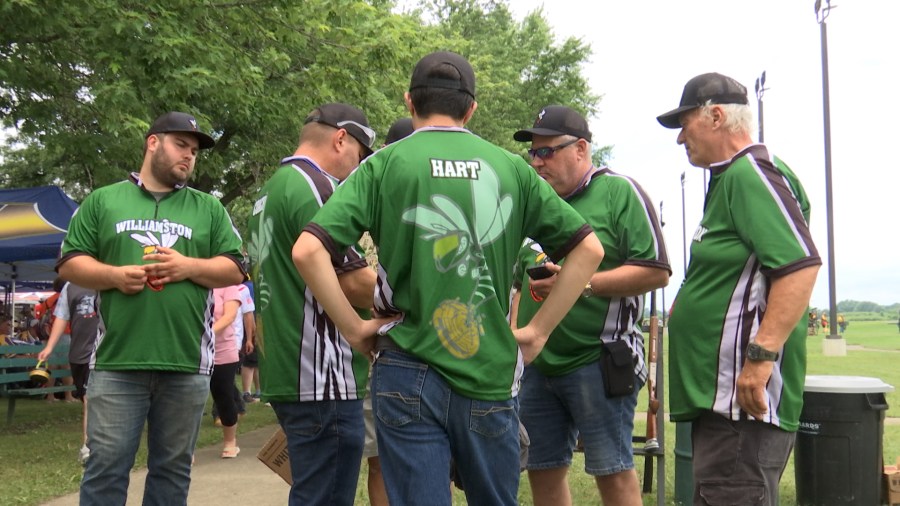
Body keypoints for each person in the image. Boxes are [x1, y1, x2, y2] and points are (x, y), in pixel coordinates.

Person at [291, 51, 604, 506]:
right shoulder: (512, 167)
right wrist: (537, 332)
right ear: (471, 109)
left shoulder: (382, 165)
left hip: (405, 364)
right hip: (489, 364)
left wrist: (354, 328)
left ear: (409, 102)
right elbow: (588, 249)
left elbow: (307, 249)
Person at [56, 111, 246, 505]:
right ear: (152, 142)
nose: (189, 156)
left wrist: (188, 266)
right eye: (181, 145)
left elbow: (236, 267)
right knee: (105, 467)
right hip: (116, 363)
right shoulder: (103, 200)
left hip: (186, 364)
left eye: (194, 151)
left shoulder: (208, 208)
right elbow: (70, 262)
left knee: (173, 471)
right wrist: (113, 276)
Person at [657, 73, 821, 506]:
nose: (679, 139)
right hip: (724, 407)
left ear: (715, 116)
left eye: (684, 124)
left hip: (741, 407)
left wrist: (761, 356)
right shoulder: (729, 178)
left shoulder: (751, 172)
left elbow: (800, 266)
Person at [511, 105, 671, 506]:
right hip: (536, 364)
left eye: (547, 151)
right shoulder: (535, 202)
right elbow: (516, 286)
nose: (536, 161)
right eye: (533, 153)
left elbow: (656, 271)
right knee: (542, 470)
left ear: (581, 148)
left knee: (612, 472)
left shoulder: (619, 192)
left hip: (597, 360)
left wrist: (577, 282)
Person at [247, 102, 377, 506]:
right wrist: (419, 295)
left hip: (288, 368)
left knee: (312, 488)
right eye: (359, 154)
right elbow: (355, 282)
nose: (357, 167)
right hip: (323, 372)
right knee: (325, 495)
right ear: (341, 138)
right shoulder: (316, 187)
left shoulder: (270, 189)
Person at [37, 281, 99, 463]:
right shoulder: (70, 286)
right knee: (87, 399)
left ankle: (88, 446)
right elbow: (62, 317)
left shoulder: (110, 275)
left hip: (101, 351)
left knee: (90, 398)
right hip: (78, 354)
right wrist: (49, 347)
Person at [210, 285, 243, 458]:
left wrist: (206, 334)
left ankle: (230, 442)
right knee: (189, 400)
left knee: (224, 396)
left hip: (222, 351)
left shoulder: (227, 285)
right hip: (192, 350)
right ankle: (187, 449)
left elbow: (230, 315)